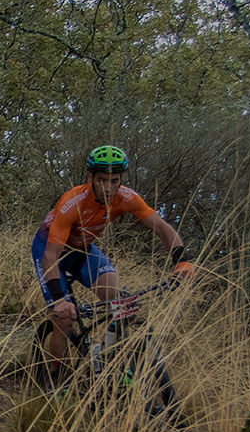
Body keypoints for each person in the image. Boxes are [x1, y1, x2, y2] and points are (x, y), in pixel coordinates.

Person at [33, 144, 195, 369]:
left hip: (84, 249)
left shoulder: (127, 198)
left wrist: (182, 261)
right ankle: (54, 379)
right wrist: (60, 299)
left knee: (122, 306)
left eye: (114, 181)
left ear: (121, 179)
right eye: (101, 180)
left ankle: (106, 362)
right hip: (50, 251)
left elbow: (163, 229)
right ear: (90, 177)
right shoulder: (72, 202)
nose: (108, 188)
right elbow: (50, 256)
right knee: (64, 319)